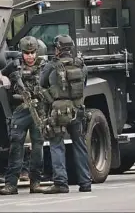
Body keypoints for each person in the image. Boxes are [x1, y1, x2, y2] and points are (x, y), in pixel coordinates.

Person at [39, 34, 92, 193]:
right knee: (80, 145)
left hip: (58, 112)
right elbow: (84, 84)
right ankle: (85, 182)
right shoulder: (81, 65)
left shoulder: (51, 66)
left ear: (57, 49)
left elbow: (42, 83)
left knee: (57, 145)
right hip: (78, 109)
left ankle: (61, 183)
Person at [0, 36, 46, 195]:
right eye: (27, 53)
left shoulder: (44, 66)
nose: (30, 56)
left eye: (32, 52)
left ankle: (35, 182)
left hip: (39, 110)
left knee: (38, 148)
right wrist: (3, 78)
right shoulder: (15, 65)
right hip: (20, 110)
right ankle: (11, 184)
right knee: (16, 146)